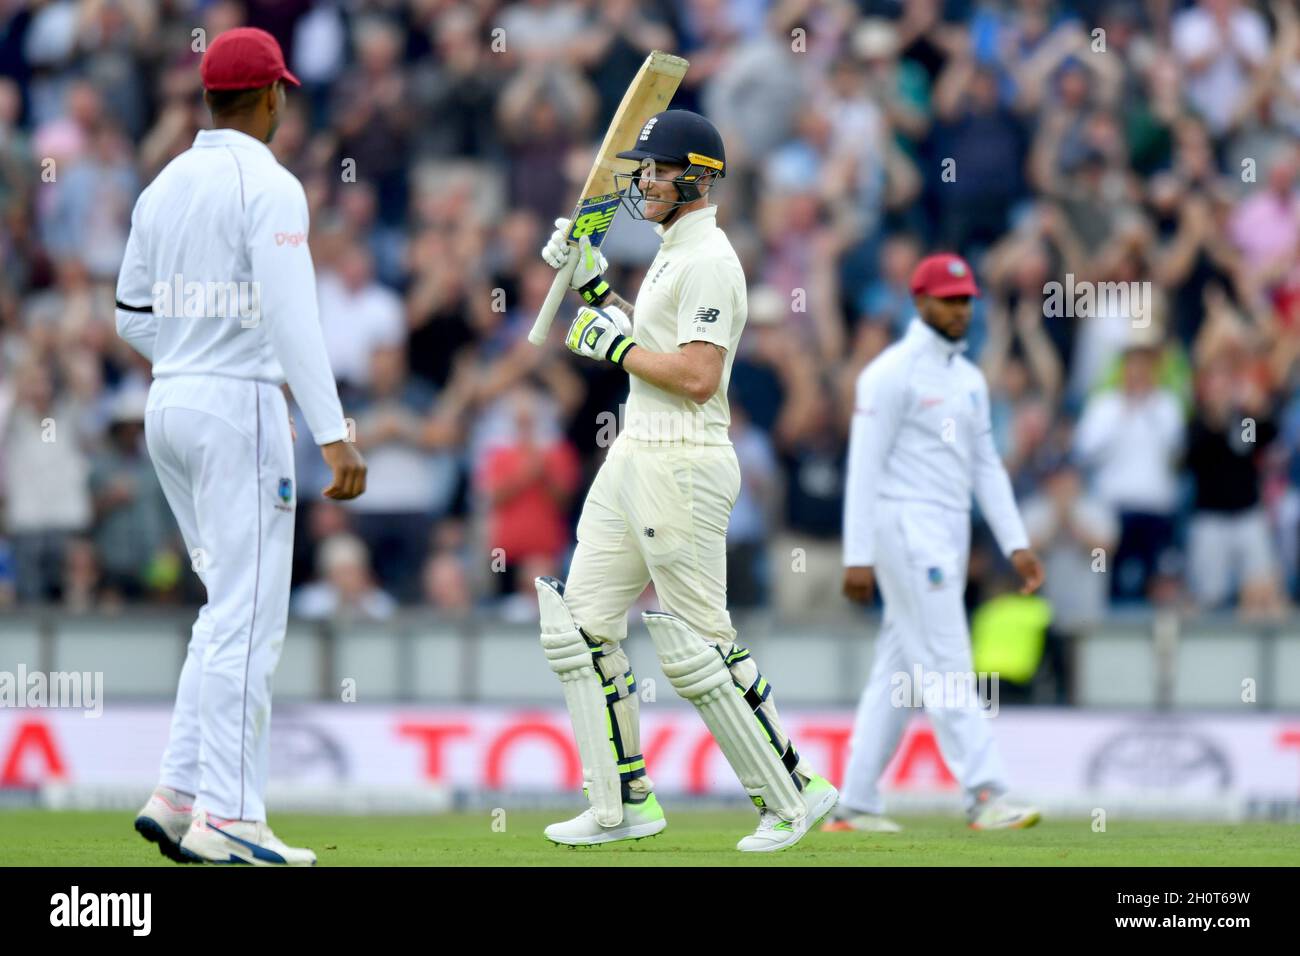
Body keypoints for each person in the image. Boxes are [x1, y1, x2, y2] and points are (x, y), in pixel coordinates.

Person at [537, 109, 838, 852]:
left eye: (656, 170)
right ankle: (623, 801)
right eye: (642, 168)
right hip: (636, 451)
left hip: (684, 457)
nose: (643, 180)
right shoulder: (674, 250)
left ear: (697, 178)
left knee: (698, 647)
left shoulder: (711, 259)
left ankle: (794, 793)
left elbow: (698, 377)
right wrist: (595, 289)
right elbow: (658, 342)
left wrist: (614, 349)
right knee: (580, 628)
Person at [117, 28, 367, 866]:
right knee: (251, 619)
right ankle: (230, 818)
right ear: (269, 97)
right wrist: (335, 435)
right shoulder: (271, 184)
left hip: (169, 405)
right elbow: (295, 318)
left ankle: (180, 791)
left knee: (224, 608)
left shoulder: (161, 185)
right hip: (238, 407)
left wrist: (190, 351)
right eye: (282, 93)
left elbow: (128, 314)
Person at [833, 253, 1044, 833]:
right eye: (949, 300)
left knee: (897, 671)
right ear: (919, 301)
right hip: (904, 527)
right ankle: (986, 791)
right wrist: (858, 557)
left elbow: (987, 468)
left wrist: (1016, 544)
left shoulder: (969, 380)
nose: (960, 310)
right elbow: (864, 469)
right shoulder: (889, 373)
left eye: (966, 300)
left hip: (946, 530)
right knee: (948, 659)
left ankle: (853, 803)